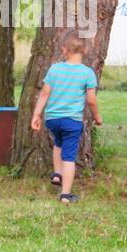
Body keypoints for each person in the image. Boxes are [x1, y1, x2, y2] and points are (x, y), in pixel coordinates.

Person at [30, 32, 101, 203]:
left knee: (58, 144)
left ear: (64, 50)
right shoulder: (87, 73)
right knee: (69, 157)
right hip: (72, 121)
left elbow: (45, 93)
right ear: (85, 51)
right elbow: (91, 100)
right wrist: (97, 117)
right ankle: (65, 194)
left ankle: (57, 173)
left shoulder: (55, 69)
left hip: (53, 119)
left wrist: (36, 114)